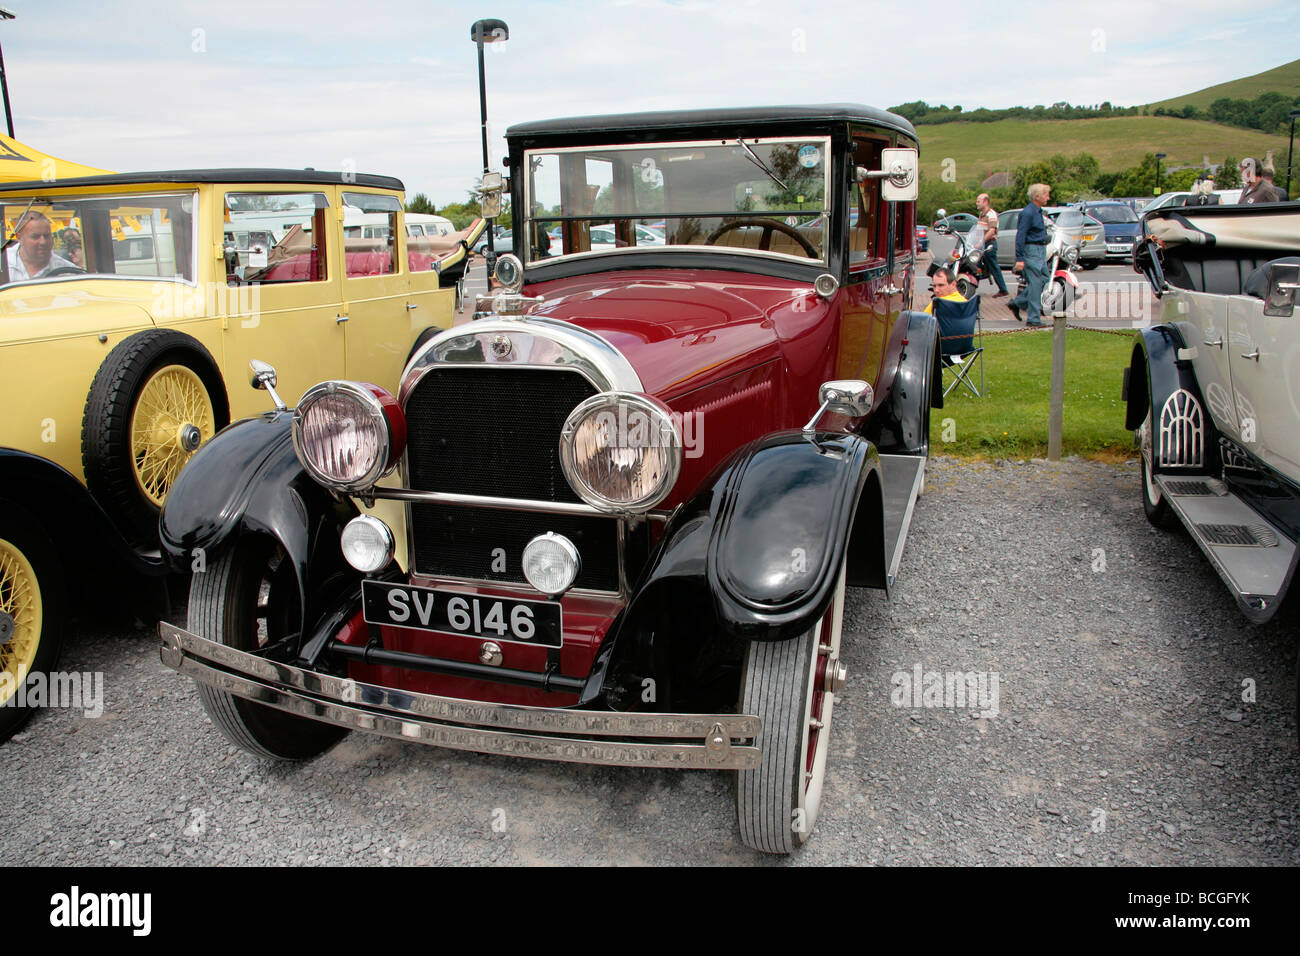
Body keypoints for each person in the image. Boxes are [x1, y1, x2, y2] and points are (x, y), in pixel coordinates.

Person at [1009, 183, 1051, 326]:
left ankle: (1017, 303)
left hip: (1040, 250)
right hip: (1031, 250)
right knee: (1036, 283)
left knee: (1045, 280)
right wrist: (1020, 258)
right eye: (1046, 195)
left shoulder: (1038, 212)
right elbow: (1021, 235)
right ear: (1037, 196)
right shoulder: (1028, 213)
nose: (1048, 198)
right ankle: (1033, 318)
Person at [5, 211, 78, 280]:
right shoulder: (4, 263)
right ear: (19, 237)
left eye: (47, 236)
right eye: (35, 237)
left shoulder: (69, 273)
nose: (43, 242)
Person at [975, 193, 1008, 297]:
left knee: (993, 267)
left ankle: (1003, 290)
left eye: (978, 201)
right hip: (982, 245)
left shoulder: (991, 214)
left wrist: (981, 242)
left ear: (985, 202)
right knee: (977, 266)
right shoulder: (981, 214)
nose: (977, 203)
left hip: (989, 244)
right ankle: (971, 287)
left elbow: (991, 231)